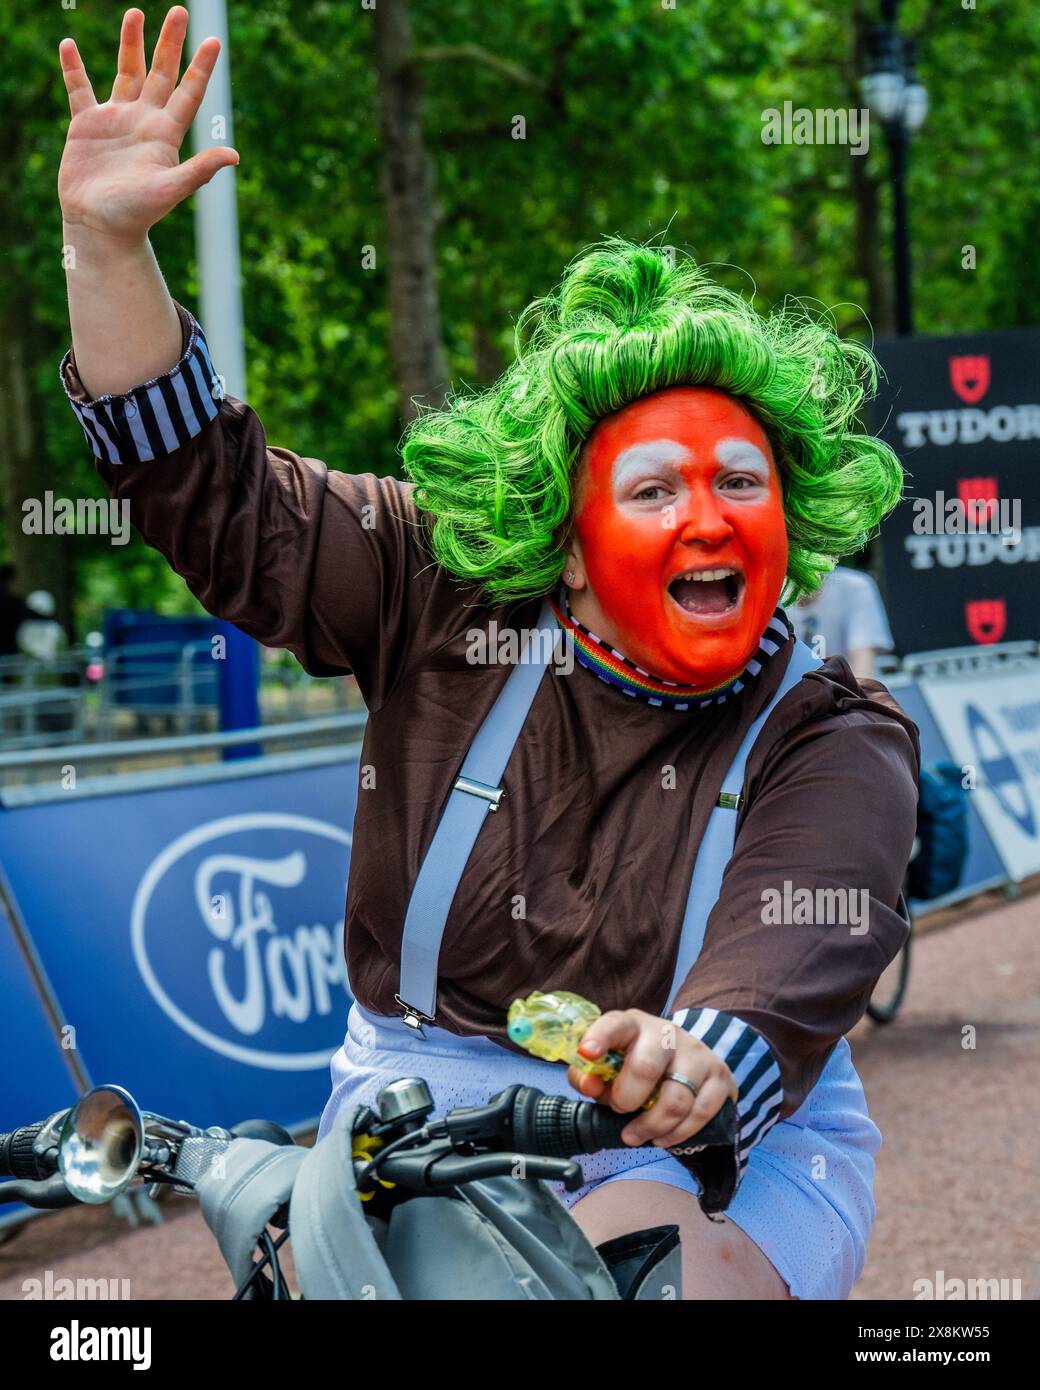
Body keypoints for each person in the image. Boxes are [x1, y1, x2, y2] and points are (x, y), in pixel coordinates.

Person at [55, 7, 919, 1300]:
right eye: (654, 489)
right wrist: (108, 250)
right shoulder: (434, 585)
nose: (706, 516)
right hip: (417, 1106)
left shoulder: (831, 731)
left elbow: (816, 918)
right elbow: (219, 499)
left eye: (742, 479)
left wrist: (694, 1057)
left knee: (635, 1260)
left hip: (726, 1138)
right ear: (567, 545)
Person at [789, 559, 894, 680]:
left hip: (850, 693)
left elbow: (863, 668)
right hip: (802, 696)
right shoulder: (773, 593)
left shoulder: (855, 585)